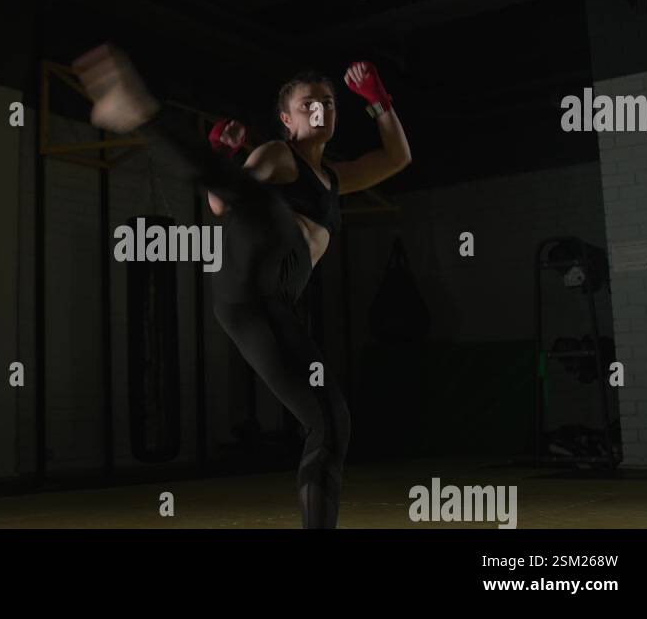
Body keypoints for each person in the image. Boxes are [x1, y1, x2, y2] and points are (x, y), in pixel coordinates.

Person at [73, 44, 411, 528]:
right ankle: (143, 115)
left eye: (330, 102)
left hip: (268, 304)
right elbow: (224, 204)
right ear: (286, 120)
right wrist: (224, 160)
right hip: (249, 272)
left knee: (330, 422)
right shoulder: (278, 153)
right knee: (266, 208)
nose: (320, 108)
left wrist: (380, 102)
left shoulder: (336, 180)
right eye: (307, 104)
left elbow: (397, 157)